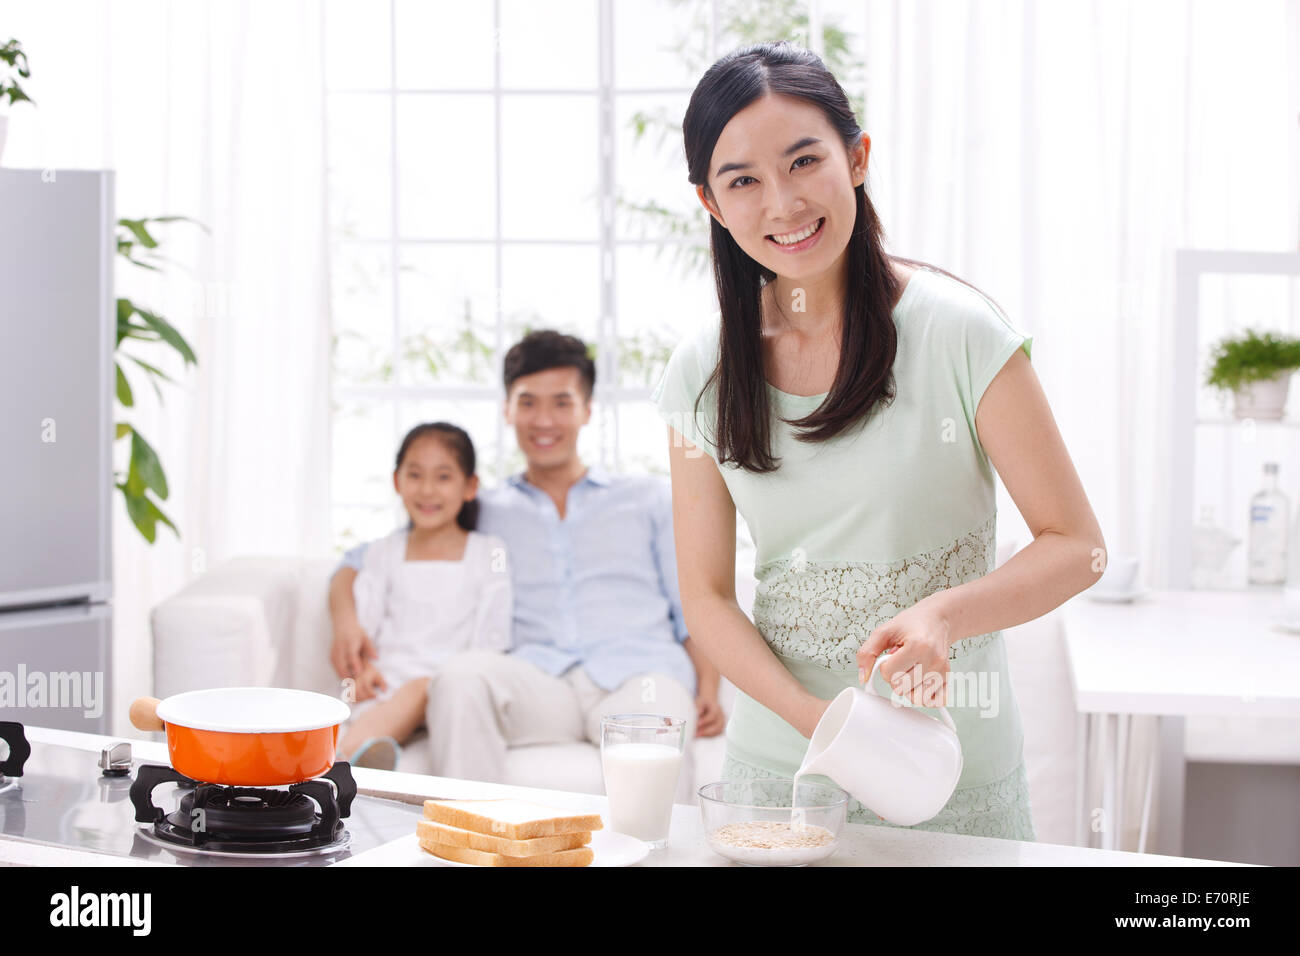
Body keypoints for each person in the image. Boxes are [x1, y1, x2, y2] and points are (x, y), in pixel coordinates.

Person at [652, 42, 1106, 839]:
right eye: (744, 181)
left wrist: (944, 617)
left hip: (946, 764)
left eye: (804, 162)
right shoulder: (701, 370)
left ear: (857, 158)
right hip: (782, 768)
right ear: (712, 205)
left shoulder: (961, 334)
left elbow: (1076, 546)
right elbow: (708, 598)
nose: (783, 204)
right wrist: (824, 726)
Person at [329, 330, 723, 784]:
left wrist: (707, 686)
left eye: (561, 402)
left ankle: (661, 856)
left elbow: (695, 600)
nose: (544, 420)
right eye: (528, 402)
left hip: (637, 677)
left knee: (659, 726)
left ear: (587, 409)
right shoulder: (484, 507)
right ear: (507, 410)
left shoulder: (646, 499)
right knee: (460, 677)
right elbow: (359, 560)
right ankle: (471, 845)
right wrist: (346, 623)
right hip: (538, 682)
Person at [336, 422, 511, 770]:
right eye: (415, 475)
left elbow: (490, 643)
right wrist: (363, 669)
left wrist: (451, 687)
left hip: (452, 693)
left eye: (444, 477)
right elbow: (364, 629)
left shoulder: (488, 552)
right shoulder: (384, 552)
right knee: (352, 699)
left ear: (470, 486)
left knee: (425, 688)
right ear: (397, 481)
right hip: (385, 689)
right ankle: (353, 755)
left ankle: (340, 765)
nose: (427, 490)